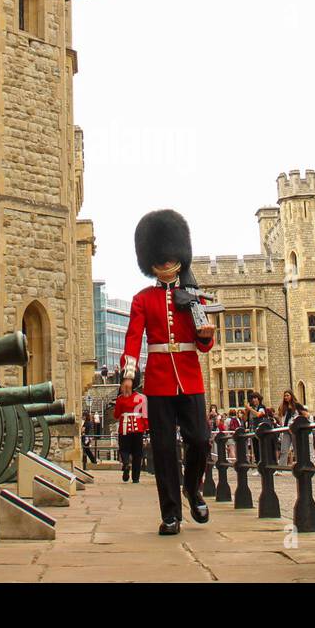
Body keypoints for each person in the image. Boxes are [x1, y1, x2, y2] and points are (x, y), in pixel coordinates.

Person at [121, 209, 216, 535]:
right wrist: (129, 374)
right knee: (163, 449)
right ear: (150, 261)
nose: (164, 264)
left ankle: (193, 489)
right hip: (160, 381)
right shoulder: (142, 300)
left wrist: (206, 335)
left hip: (189, 378)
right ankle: (171, 513)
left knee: (200, 441)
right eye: (159, 259)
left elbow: (204, 344)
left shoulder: (193, 295)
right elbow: (134, 339)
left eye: (170, 258)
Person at [114, 376, 148, 484]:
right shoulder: (141, 397)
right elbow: (144, 414)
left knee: (124, 449)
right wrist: (146, 427)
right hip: (138, 427)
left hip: (124, 428)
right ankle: (136, 478)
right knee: (137, 453)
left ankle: (126, 464)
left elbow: (116, 415)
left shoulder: (120, 398)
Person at [278, 390, 303, 466]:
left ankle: (300, 465)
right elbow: (280, 415)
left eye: (287, 395)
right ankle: (281, 468)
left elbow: (305, 414)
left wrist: (296, 422)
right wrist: (281, 424)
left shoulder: (297, 405)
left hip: (294, 429)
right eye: (285, 396)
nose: (286, 397)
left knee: (296, 449)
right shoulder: (283, 406)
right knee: (284, 449)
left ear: (291, 396)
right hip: (286, 429)